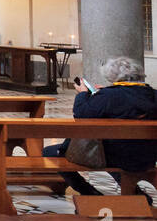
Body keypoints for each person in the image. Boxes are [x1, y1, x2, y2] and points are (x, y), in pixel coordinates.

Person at [45, 57, 157, 201]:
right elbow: (131, 100)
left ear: (112, 76)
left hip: (115, 156)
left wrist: (82, 94)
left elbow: (81, 114)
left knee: (49, 153)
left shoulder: (109, 96)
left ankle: (88, 192)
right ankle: (135, 193)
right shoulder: (153, 94)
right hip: (149, 156)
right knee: (116, 149)